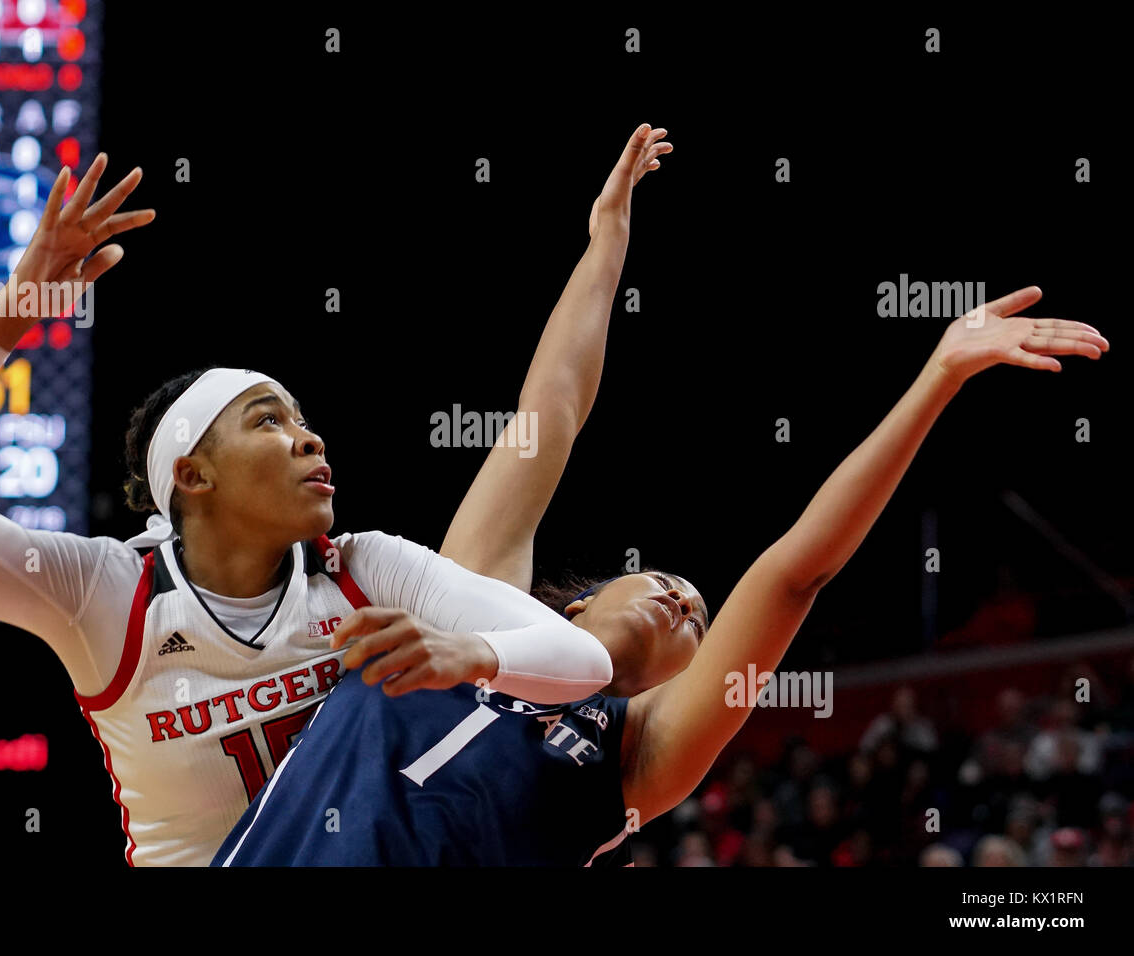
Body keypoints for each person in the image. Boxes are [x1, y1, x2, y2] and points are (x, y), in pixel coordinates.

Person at [0, 155, 612, 867]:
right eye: (269, 421)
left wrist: (469, 655)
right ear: (193, 475)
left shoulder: (365, 567)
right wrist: (9, 315)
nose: (309, 437)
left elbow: (586, 664)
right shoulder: (106, 593)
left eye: (303, 419)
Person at [214, 284, 1109, 865]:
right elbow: (549, 414)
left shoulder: (635, 756)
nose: (687, 601)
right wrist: (606, 244)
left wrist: (937, 377)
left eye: (700, 619)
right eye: (669, 583)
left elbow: (797, 572)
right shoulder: (469, 595)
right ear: (582, 596)